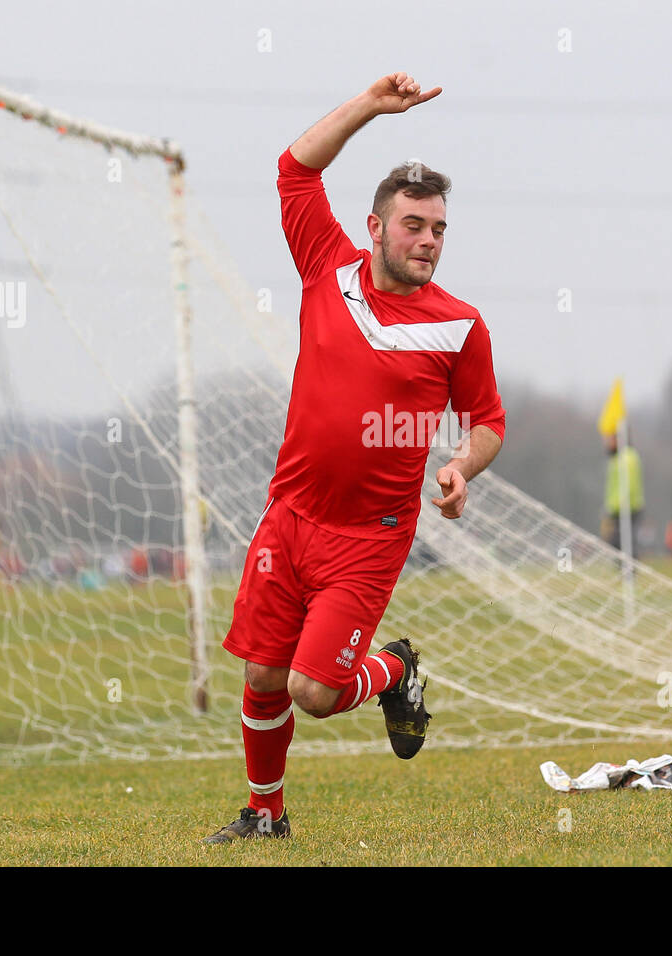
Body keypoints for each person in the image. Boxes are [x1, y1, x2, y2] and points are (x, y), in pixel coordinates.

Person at [205, 72, 506, 844]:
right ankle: (264, 816)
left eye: (439, 228)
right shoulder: (324, 268)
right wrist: (371, 107)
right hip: (290, 514)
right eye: (413, 225)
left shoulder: (459, 326)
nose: (429, 241)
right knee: (263, 674)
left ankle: (393, 669)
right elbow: (294, 168)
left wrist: (459, 468)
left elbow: (489, 422)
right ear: (374, 227)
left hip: (369, 536)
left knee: (312, 689)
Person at [601, 432, 644, 559]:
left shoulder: (627, 458)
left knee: (624, 544)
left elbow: (628, 486)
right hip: (617, 509)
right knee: (616, 545)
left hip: (628, 509)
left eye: (610, 439)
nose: (607, 442)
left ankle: (630, 574)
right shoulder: (617, 458)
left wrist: (617, 505)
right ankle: (624, 573)